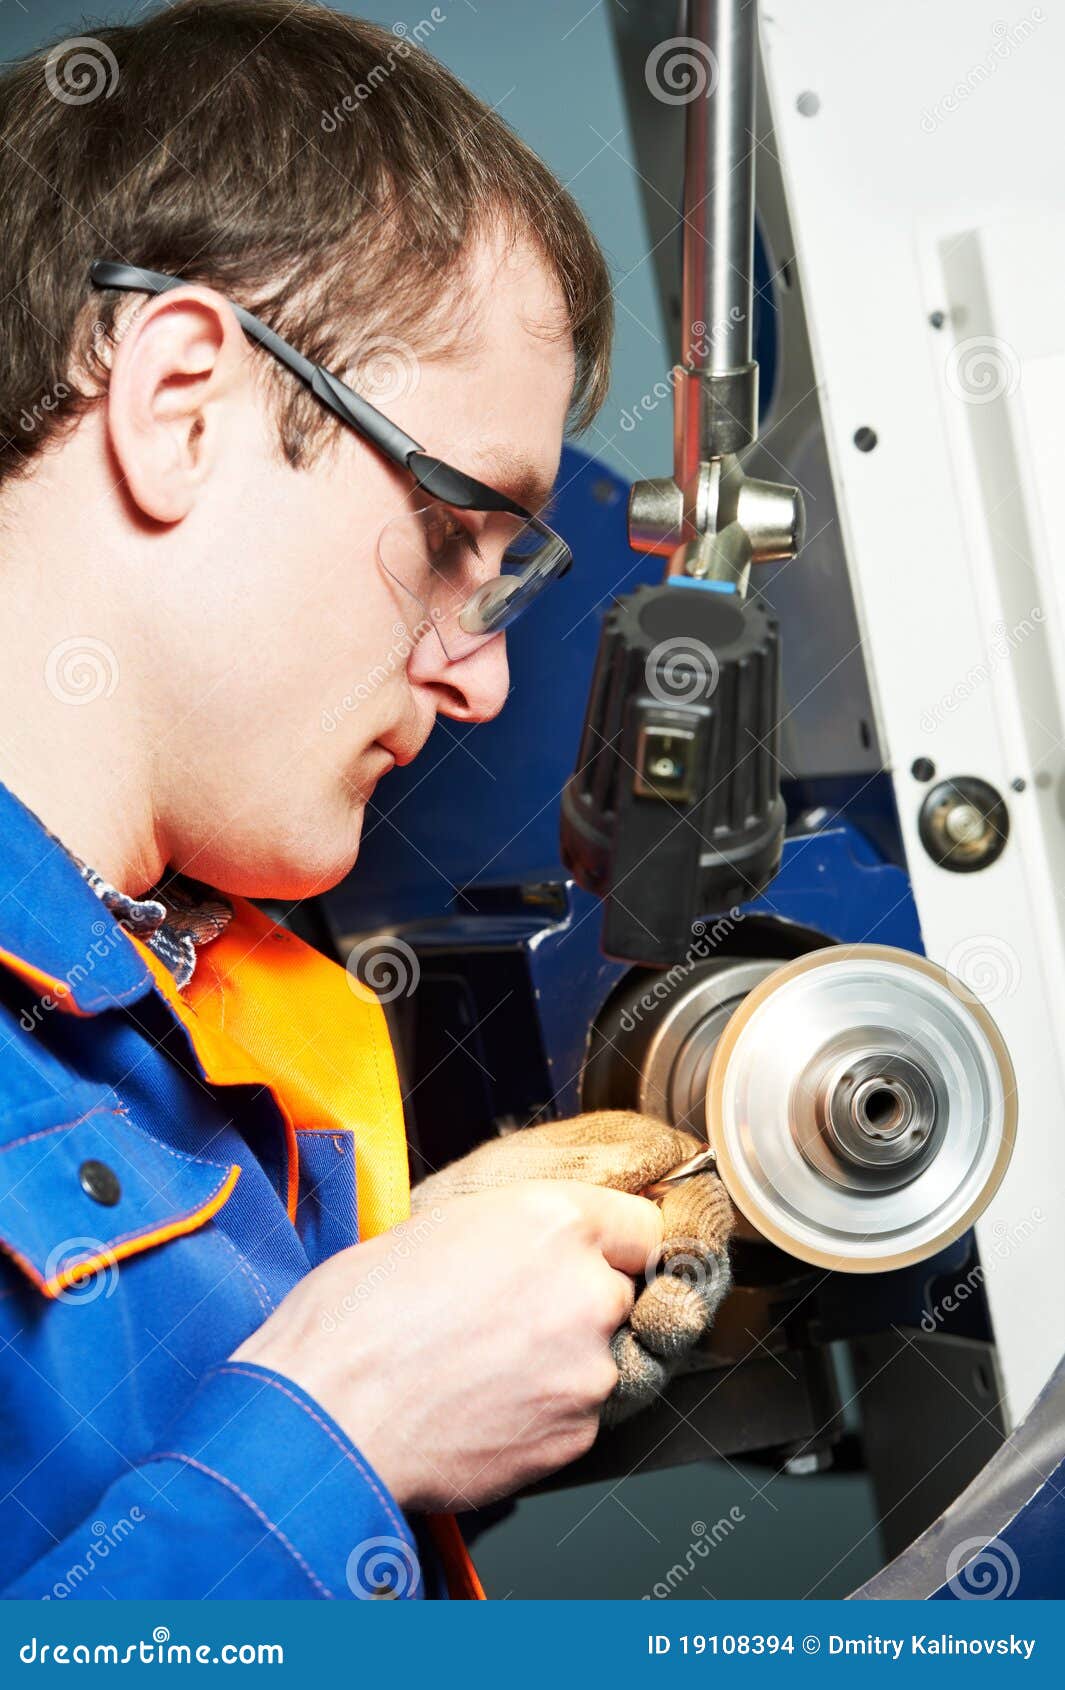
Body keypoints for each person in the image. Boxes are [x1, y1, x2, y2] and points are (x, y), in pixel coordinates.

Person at [0, 0, 730, 1602]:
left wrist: (405, 1300)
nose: (477, 679)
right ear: (182, 402)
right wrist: (344, 1420)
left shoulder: (222, 1018)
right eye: (460, 528)